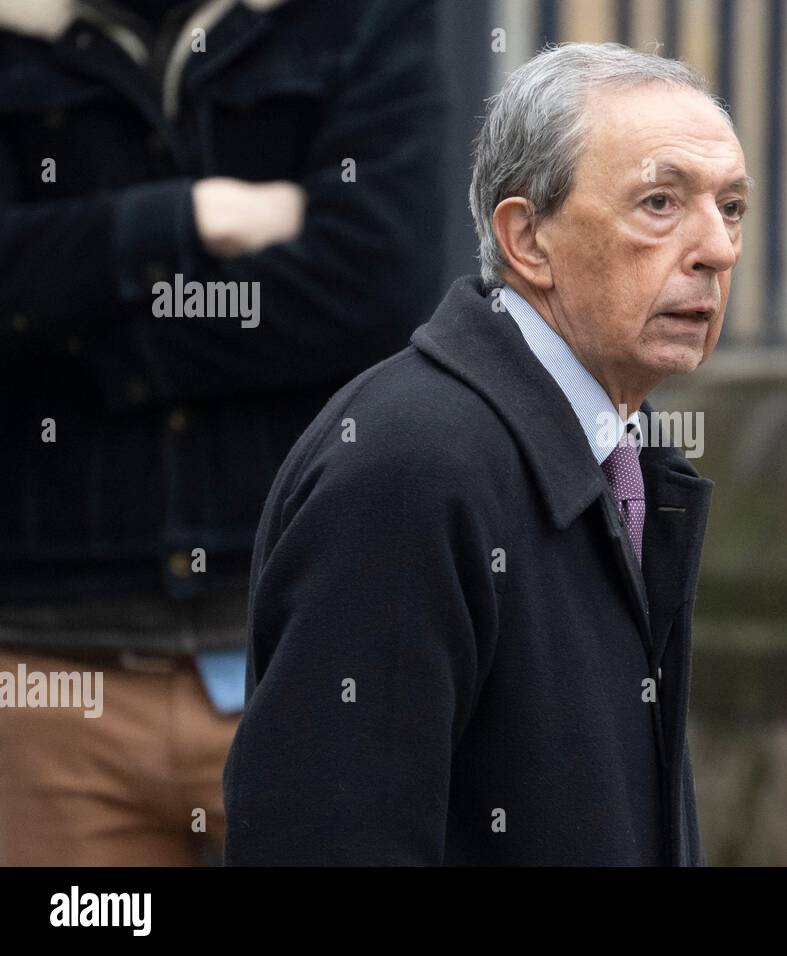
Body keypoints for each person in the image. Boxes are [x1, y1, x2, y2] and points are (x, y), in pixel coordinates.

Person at [222, 41, 749, 865]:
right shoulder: (411, 468)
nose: (716, 248)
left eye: (732, 207)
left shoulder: (607, 449)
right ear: (527, 238)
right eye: (659, 202)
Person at [0, 0, 445, 865]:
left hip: (315, 659)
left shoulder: (362, 20)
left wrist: (94, 344)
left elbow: (374, 289)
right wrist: (193, 217)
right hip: (49, 671)